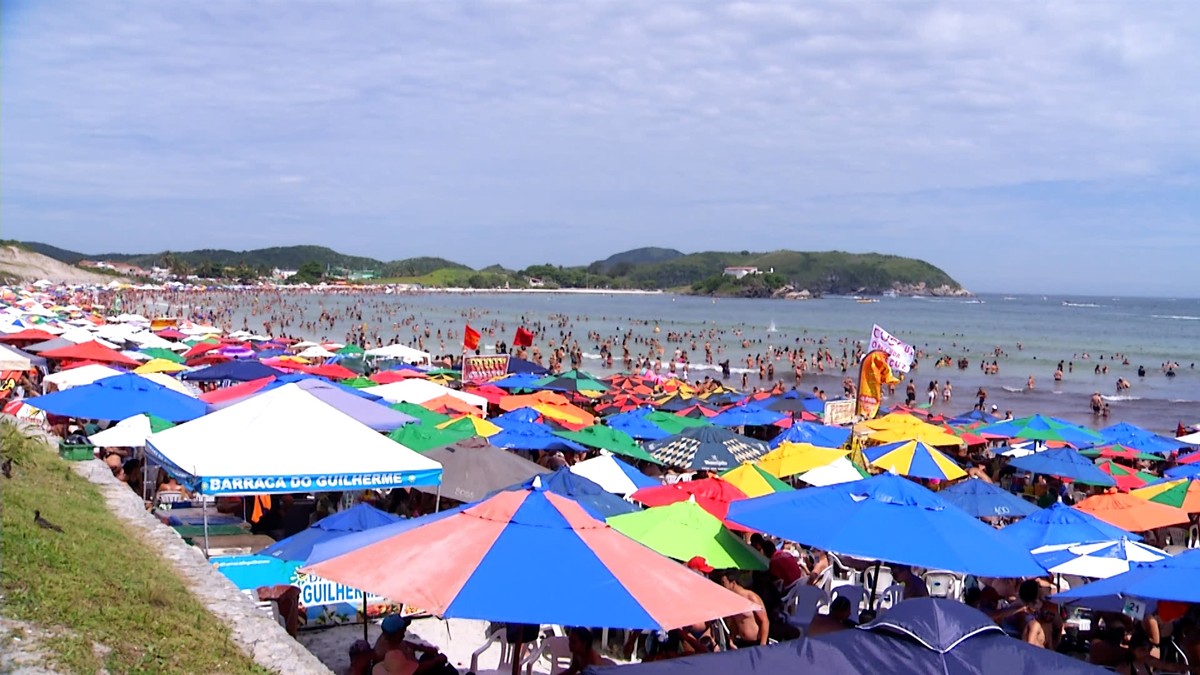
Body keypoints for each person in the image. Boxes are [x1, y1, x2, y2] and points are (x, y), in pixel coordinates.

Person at [710, 569, 769, 648]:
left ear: (733, 583)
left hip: (757, 643)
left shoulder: (751, 597)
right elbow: (735, 622)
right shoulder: (733, 601)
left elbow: (765, 621)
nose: (722, 586)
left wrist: (763, 644)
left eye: (724, 583)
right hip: (742, 643)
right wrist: (731, 639)